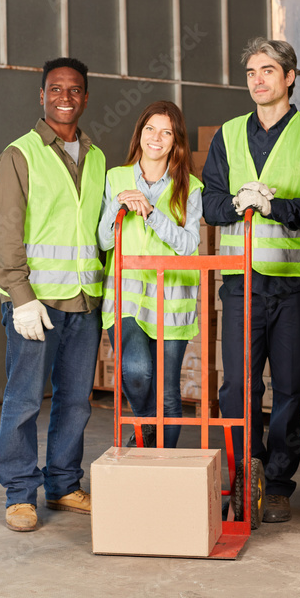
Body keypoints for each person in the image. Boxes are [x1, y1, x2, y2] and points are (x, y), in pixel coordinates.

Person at [202, 37, 300, 527]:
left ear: (289, 77)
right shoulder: (228, 135)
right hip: (240, 286)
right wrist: (238, 202)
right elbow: (209, 203)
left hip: (295, 288)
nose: (258, 80)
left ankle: (277, 483)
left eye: (267, 71)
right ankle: (245, 473)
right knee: (236, 388)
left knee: (290, 389)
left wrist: (273, 206)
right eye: (251, 73)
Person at [0, 57, 106, 532]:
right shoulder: (20, 154)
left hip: (83, 300)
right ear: (42, 95)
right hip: (34, 303)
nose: (64, 97)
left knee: (76, 400)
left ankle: (62, 484)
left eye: (74, 89)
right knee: (23, 400)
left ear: (84, 97)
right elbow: (3, 232)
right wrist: (20, 297)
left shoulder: (97, 156)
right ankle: (20, 494)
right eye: (55, 89)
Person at [97, 101, 203, 449]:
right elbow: (100, 238)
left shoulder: (191, 187)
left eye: (166, 132)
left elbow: (188, 245)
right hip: (126, 298)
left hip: (172, 302)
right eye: (150, 129)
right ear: (139, 134)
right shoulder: (116, 178)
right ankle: (145, 428)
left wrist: (152, 214)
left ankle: (164, 466)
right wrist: (119, 205)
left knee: (169, 393)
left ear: (176, 141)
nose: (156, 138)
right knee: (138, 372)